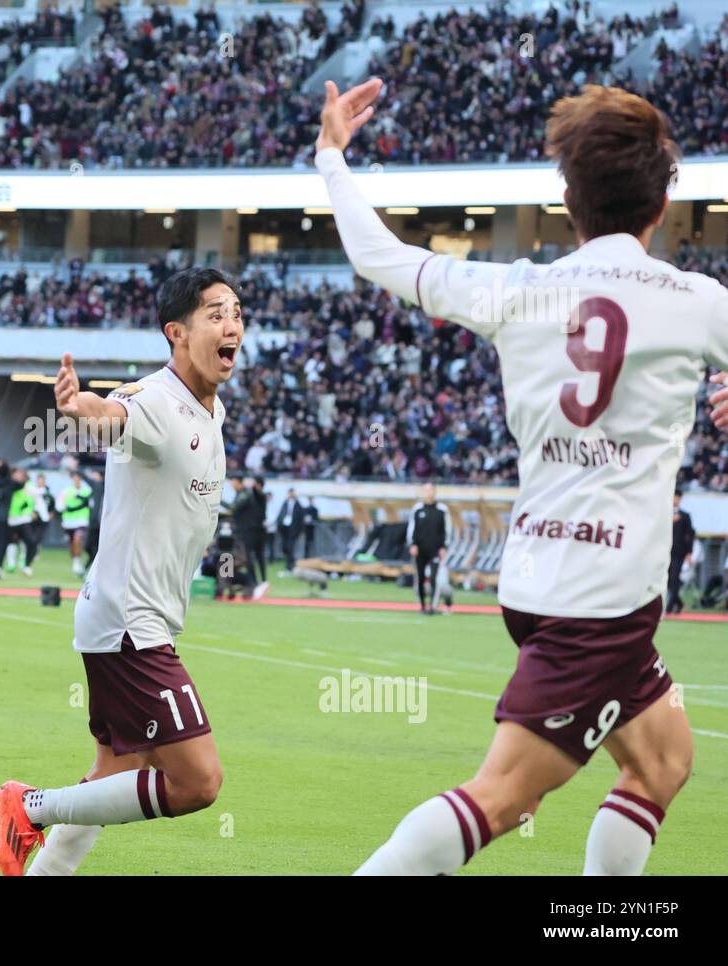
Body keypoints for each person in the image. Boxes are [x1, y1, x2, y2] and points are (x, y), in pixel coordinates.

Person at [316, 79, 719, 875]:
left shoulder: (515, 290)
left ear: (569, 201)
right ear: (663, 203)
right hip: (601, 605)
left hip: (536, 579)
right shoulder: (697, 302)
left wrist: (332, 156)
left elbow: (377, 255)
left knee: (663, 762)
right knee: (501, 798)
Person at [0, 267, 241, 876]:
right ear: (176, 332)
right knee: (197, 781)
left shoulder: (213, 408)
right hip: (132, 624)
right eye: (215, 314)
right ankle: (28, 805)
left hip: (124, 615)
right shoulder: (156, 400)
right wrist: (78, 407)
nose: (232, 325)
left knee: (115, 773)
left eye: (236, 313)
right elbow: (113, 414)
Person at [407, 482, 450, 615]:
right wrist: (412, 544)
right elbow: (412, 528)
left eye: (430, 490)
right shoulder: (417, 509)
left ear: (435, 492)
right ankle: (422, 605)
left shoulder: (442, 509)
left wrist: (443, 546)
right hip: (420, 549)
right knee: (419, 578)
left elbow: (446, 530)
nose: (428, 492)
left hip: (435, 550)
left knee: (434, 577)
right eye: (425, 490)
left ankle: (432, 605)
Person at [59, 471, 92, 575]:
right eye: (75, 477)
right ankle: (75, 560)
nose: (76, 479)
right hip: (68, 521)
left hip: (81, 520)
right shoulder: (66, 491)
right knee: (71, 544)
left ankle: (77, 563)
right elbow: (59, 505)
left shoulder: (87, 491)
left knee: (77, 540)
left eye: (78, 477)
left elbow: (91, 504)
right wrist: (62, 508)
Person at [667, 491, 694, 614]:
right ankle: (680, 604)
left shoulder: (685, 516)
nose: (675, 499)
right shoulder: (664, 514)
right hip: (664, 551)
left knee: (674, 579)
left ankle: (669, 608)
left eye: (677, 497)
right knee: (667, 580)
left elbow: (690, 535)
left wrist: (689, 552)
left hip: (678, 552)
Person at [276, 487, 303, 574]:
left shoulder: (298, 504)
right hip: (285, 528)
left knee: (290, 547)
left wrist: (300, 531)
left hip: (293, 529)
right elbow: (281, 515)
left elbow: (300, 518)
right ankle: (289, 564)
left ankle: (290, 565)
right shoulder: (285, 503)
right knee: (286, 547)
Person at [81, 468, 104, 568]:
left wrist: (76, 468)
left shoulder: (99, 485)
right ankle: (90, 567)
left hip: (98, 522)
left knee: (93, 547)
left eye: (96, 475)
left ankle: (91, 568)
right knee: (90, 547)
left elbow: (86, 478)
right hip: (95, 522)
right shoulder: (97, 488)